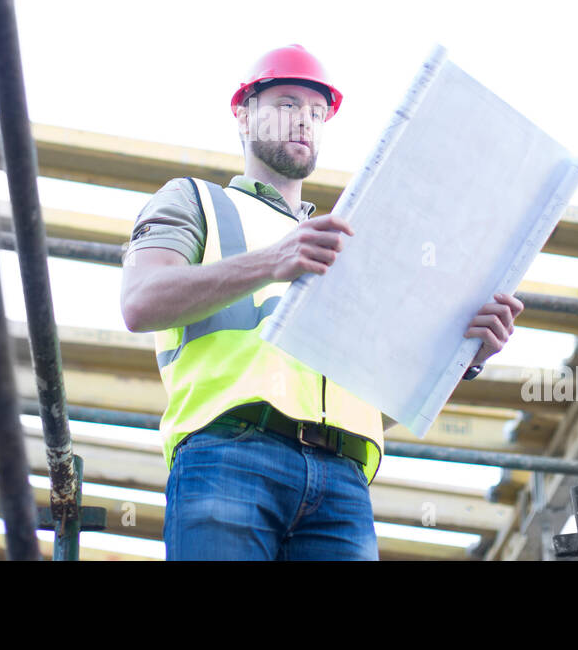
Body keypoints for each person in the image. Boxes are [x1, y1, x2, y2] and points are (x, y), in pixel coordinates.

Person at [120, 43, 524, 560]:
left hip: (342, 482)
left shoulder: (351, 243)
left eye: (316, 112)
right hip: (230, 453)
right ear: (243, 115)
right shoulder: (196, 201)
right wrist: (272, 261)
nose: (304, 121)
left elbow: (380, 405)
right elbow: (139, 301)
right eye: (287, 103)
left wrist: (461, 358)